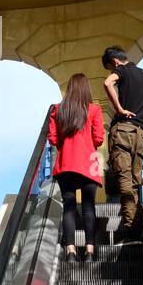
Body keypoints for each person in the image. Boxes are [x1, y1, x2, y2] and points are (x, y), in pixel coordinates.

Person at [102, 46, 143, 236]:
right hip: (140, 136)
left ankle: (132, 228)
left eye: (110, 67)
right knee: (134, 179)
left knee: (125, 182)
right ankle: (140, 225)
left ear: (114, 62)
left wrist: (120, 109)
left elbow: (108, 84)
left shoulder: (121, 70)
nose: (111, 71)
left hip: (123, 131)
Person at [48, 73, 105, 261]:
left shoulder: (58, 110)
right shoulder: (94, 110)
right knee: (89, 207)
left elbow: (53, 138)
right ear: (86, 89)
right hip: (88, 163)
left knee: (69, 207)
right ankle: (89, 250)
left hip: (66, 163)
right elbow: (98, 138)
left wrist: (66, 147)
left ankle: (71, 251)